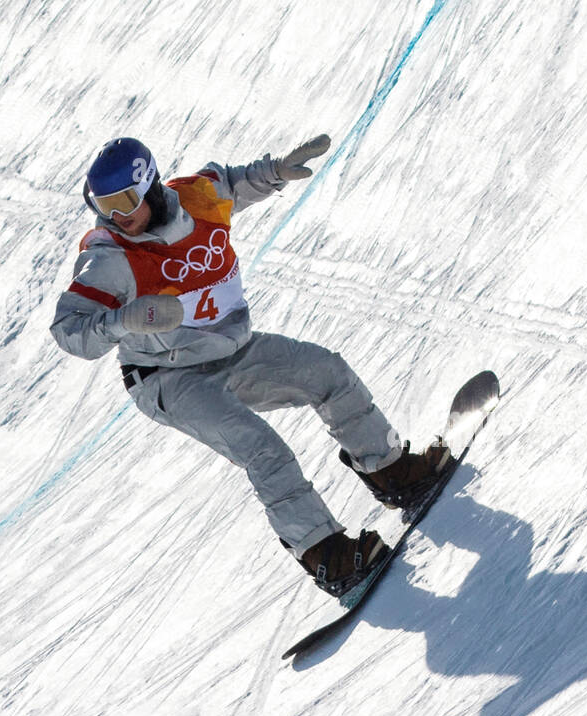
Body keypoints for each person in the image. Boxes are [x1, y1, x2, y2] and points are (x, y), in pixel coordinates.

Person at [51, 135, 449, 596]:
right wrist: (122, 320)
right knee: (263, 450)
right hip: (166, 377)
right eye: (101, 205)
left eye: (122, 202)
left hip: (231, 349)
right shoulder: (110, 258)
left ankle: (392, 471)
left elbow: (234, 186)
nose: (115, 216)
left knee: (329, 374)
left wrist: (275, 170)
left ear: (149, 186)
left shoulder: (196, 199)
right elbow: (68, 330)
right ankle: (326, 555)